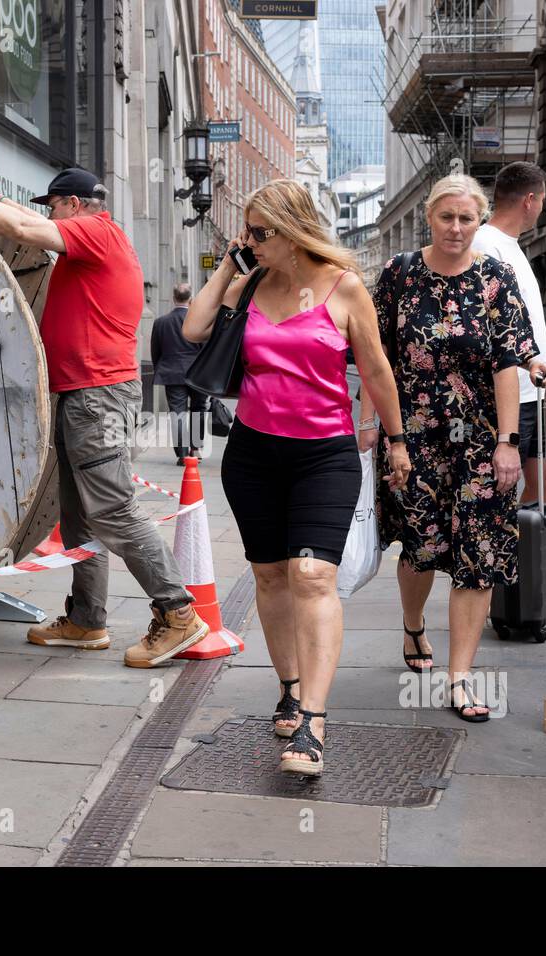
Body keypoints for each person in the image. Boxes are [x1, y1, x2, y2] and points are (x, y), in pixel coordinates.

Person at [0, 166, 208, 667]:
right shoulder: (92, 236)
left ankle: (179, 613)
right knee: (80, 516)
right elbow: (23, 218)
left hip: (97, 397)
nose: (48, 214)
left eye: (54, 206)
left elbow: (24, 230)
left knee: (114, 511)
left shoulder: (98, 233)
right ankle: (87, 620)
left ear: (77, 205)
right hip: (82, 395)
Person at [183, 180, 410, 776]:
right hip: (254, 454)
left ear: (292, 231)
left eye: (260, 233)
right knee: (270, 575)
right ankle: (287, 685)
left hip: (324, 456)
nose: (250, 242)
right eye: (248, 232)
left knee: (312, 576)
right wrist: (230, 264)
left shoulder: (344, 288)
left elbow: (379, 372)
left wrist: (397, 440)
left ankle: (312, 721)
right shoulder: (249, 283)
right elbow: (194, 330)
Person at [367, 174, 545, 721]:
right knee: (420, 548)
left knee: (479, 557)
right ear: (429, 216)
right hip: (413, 437)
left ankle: (460, 678)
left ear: (480, 220)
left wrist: (510, 443)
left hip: (482, 443)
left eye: (467, 218)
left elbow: (508, 364)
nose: (457, 228)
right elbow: (377, 359)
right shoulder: (398, 274)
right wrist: (375, 425)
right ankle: (414, 626)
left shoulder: (496, 277)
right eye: (447, 217)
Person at [472, 161, 546, 611]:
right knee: (506, 491)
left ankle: (535, 581)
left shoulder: (511, 246)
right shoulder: (488, 245)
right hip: (510, 392)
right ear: (530, 200)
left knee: (540, 486)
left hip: (531, 389)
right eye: (542, 200)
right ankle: (507, 584)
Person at [150, 283, 206, 463]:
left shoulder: (161, 322)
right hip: (198, 374)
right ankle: (195, 449)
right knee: (198, 410)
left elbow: (155, 351)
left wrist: (161, 368)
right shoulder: (199, 320)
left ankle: (182, 454)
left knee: (177, 413)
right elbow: (207, 350)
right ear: (191, 299)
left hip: (172, 373)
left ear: (174, 298)